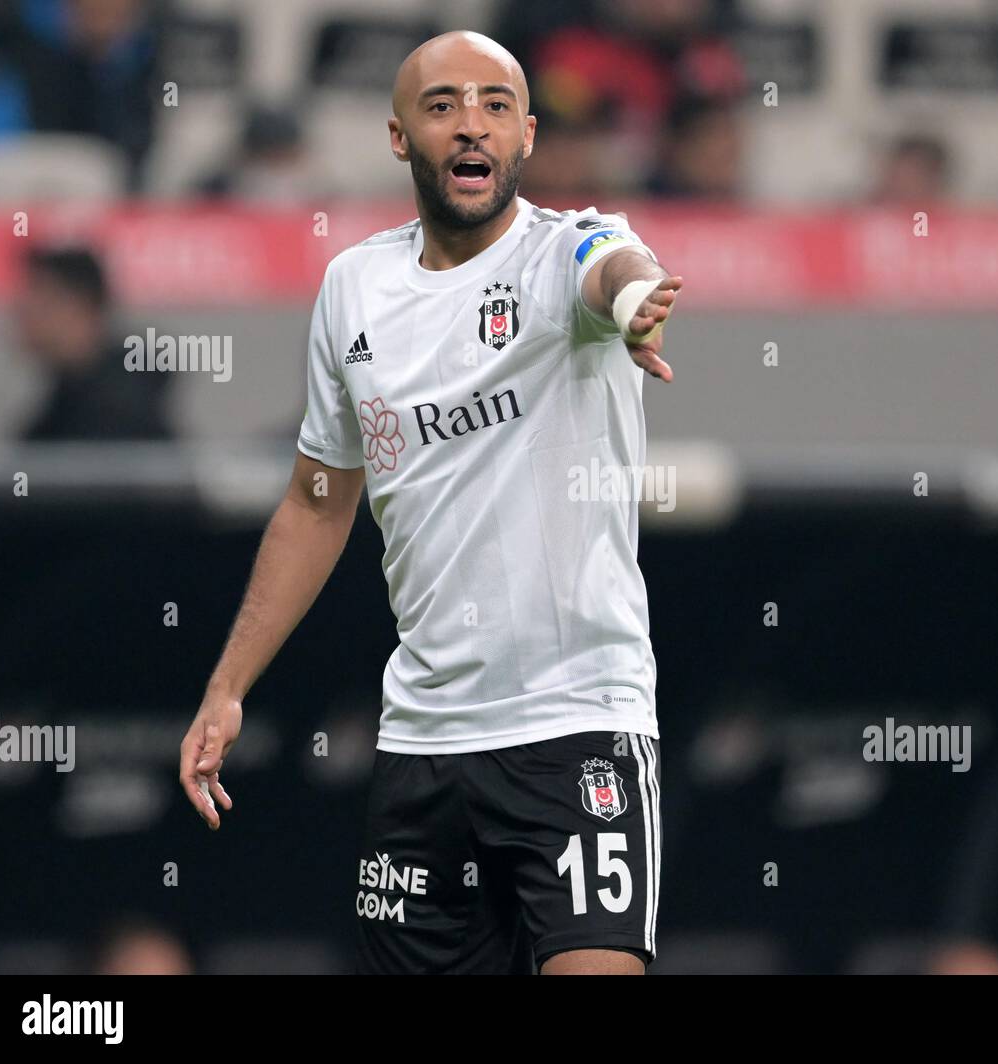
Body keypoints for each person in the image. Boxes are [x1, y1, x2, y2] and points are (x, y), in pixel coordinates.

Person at [178, 30, 682, 976]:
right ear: (401, 137)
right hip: (424, 744)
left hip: (577, 725)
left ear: (526, 135)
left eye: (496, 104)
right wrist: (228, 684)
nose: (471, 124)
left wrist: (635, 300)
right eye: (443, 104)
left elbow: (617, 267)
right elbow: (318, 502)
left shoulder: (563, 252)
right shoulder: (354, 288)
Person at [15, 245, 172, 441]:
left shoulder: (119, 410)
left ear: (81, 306)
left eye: (39, 298)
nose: (22, 312)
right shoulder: (66, 400)